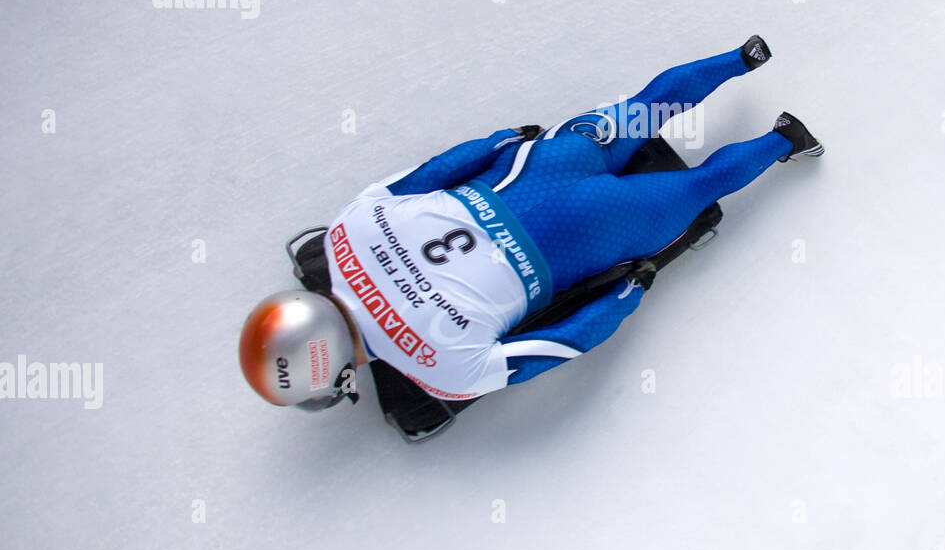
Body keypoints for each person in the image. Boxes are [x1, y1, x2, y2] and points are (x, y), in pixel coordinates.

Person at [239, 36, 823, 410]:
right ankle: (741, 57)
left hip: (590, 235)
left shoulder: (439, 371)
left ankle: (784, 138)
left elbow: (558, 345)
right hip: (535, 172)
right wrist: (504, 141)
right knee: (648, 107)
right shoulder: (345, 229)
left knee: (700, 188)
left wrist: (627, 292)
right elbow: (434, 171)